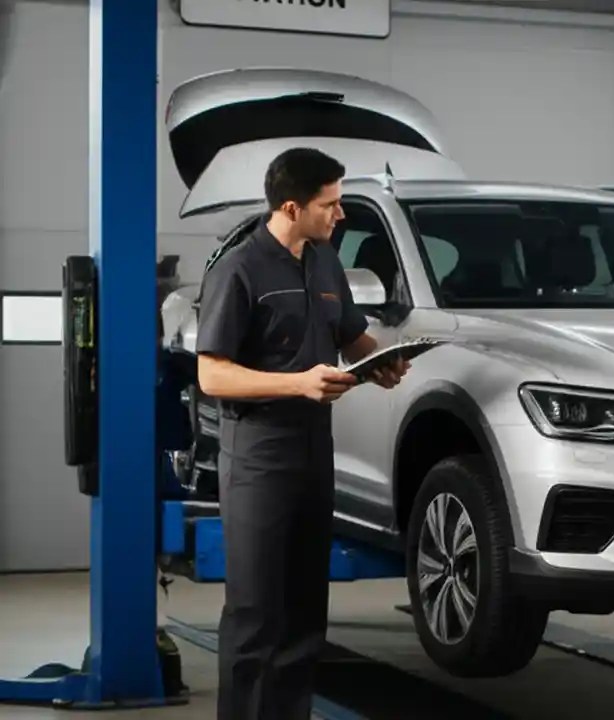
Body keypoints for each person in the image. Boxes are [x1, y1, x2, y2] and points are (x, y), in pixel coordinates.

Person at [195, 147, 409, 720]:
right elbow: (212, 374)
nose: (340, 214)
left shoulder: (325, 262)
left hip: (315, 450)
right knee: (255, 613)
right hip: (259, 455)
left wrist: (381, 360)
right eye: (329, 204)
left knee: (304, 611)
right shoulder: (239, 269)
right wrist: (298, 384)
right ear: (292, 207)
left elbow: (350, 335)